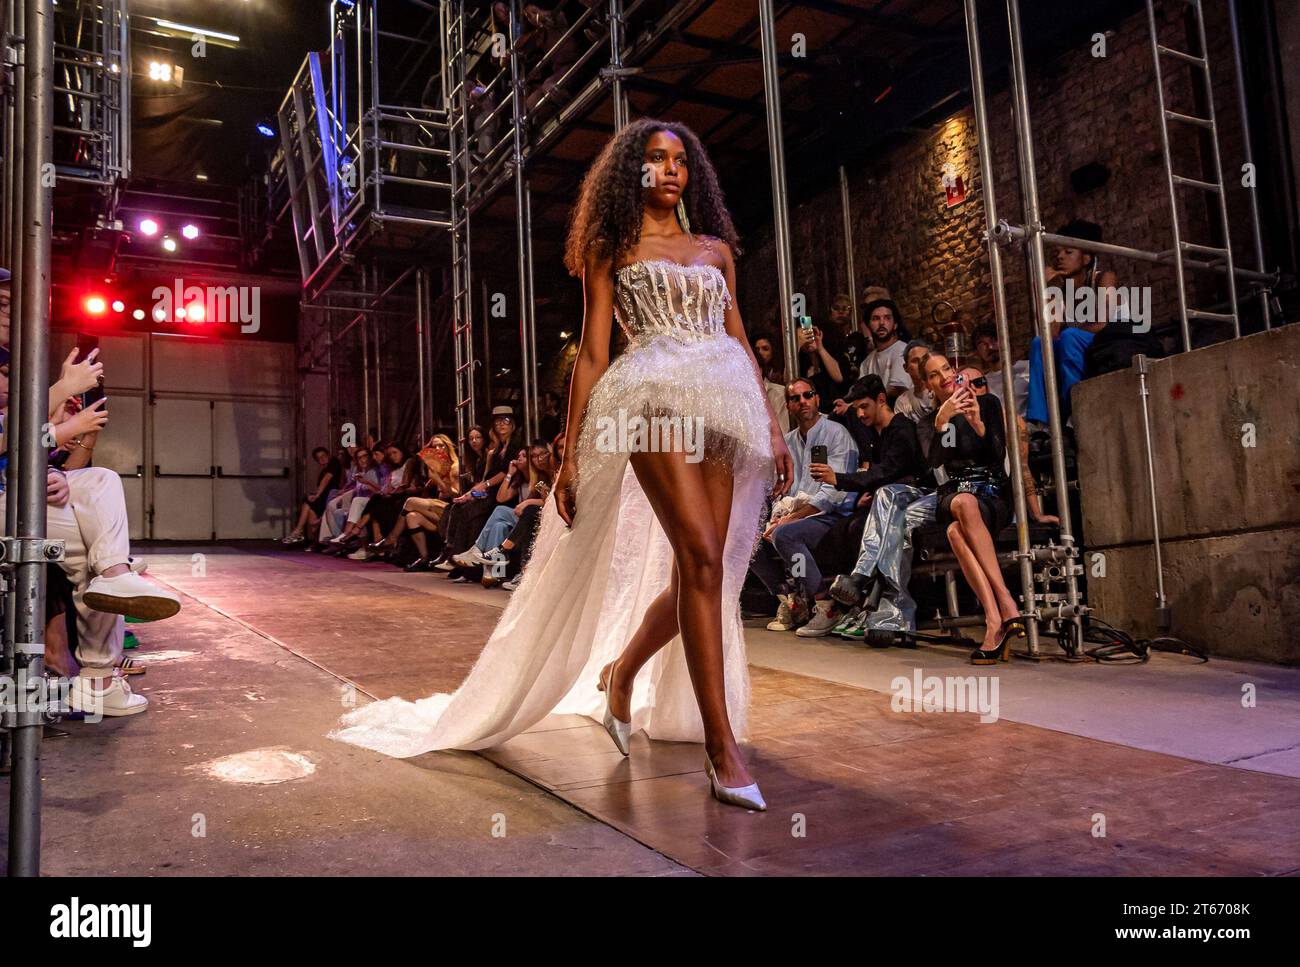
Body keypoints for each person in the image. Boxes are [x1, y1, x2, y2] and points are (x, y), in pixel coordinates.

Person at [332, 119, 793, 811]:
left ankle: (620, 673)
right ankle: (720, 750)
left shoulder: (716, 252)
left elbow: (738, 341)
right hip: (653, 400)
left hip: (724, 404)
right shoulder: (613, 249)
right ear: (632, 174)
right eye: (654, 161)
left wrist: (774, 426)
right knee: (698, 552)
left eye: (679, 161)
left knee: (703, 570)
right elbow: (597, 354)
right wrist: (572, 454)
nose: (669, 171)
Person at [923, 352, 1024, 663]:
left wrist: (977, 423)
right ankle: (1006, 605)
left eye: (946, 368)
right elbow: (935, 468)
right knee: (962, 505)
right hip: (954, 496)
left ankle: (995, 619)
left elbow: (997, 456)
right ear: (928, 385)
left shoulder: (989, 404)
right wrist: (942, 423)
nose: (944, 376)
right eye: (934, 374)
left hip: (992, 495)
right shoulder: (931, 421)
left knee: (956, 533)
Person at [1025, 219, 1119, 427]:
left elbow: (1103, 323)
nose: (1059, 257)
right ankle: (1039, 421)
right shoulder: (1061, 289)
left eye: (1068, 252)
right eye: (1058, 252)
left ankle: (1073, 412)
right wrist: (1048, 288)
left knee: (1069, 337)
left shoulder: (1103, 278)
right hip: (1078, 343)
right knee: (1039, 343)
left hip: (1111, 341)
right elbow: (1050, 334)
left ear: (1086, 258)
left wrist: (1071, 333)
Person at [283, 447, 342, 545]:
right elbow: (321, 485)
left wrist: (317, 495)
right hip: (323, 496)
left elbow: (326, 480)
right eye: (319, 458)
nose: (322, 459)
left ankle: (298, 530)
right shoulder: (324, 470)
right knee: (311, 513)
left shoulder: (334, 463)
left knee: (308, 503)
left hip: (331, 496)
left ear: (328, 455)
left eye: (324, 456)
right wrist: (314, 494)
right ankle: (316, 542)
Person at [858, 298, 911, 402]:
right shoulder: (866, 362)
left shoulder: (903, 351)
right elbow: (860, 393)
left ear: (895, 324)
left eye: (887, 318)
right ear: (869, 325)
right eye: (875, 318)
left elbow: (898, 390)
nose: (881, 323)